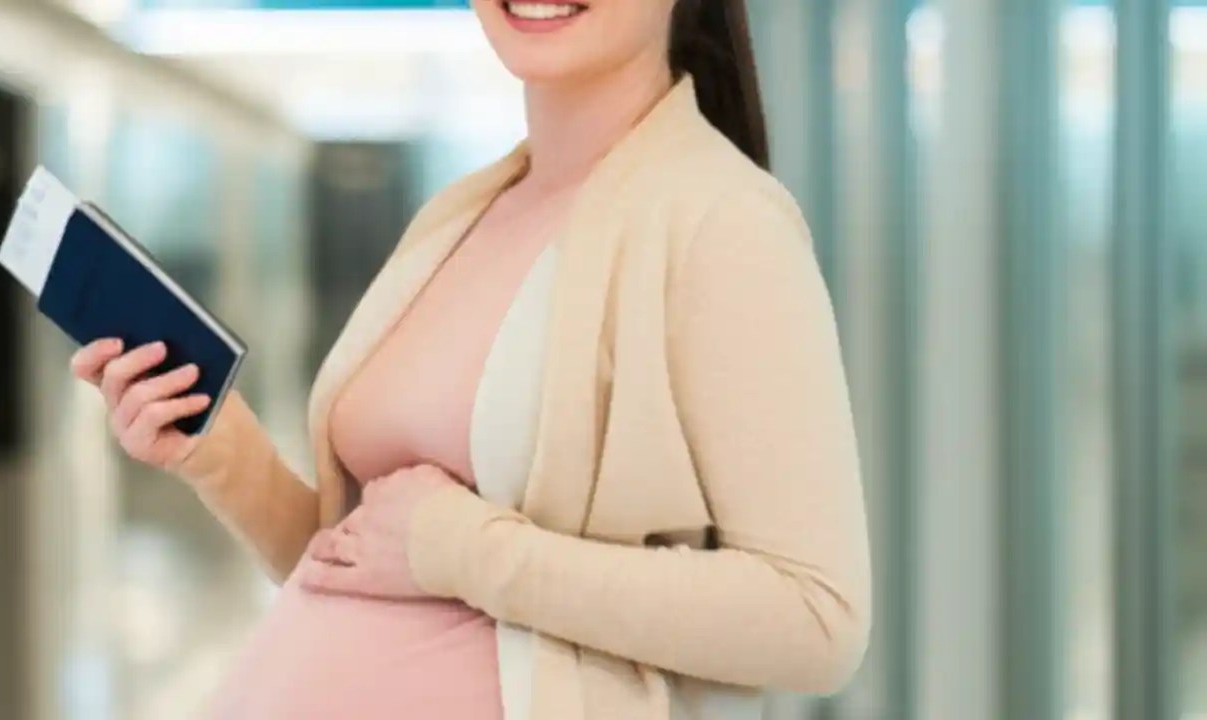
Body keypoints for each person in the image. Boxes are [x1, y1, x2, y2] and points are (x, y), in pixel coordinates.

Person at [69, 0, 872, 717]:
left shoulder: (725, 220)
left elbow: (815, 619)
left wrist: (468, 552)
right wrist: (221, 453)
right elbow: (373, 561)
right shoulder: (463, 214)